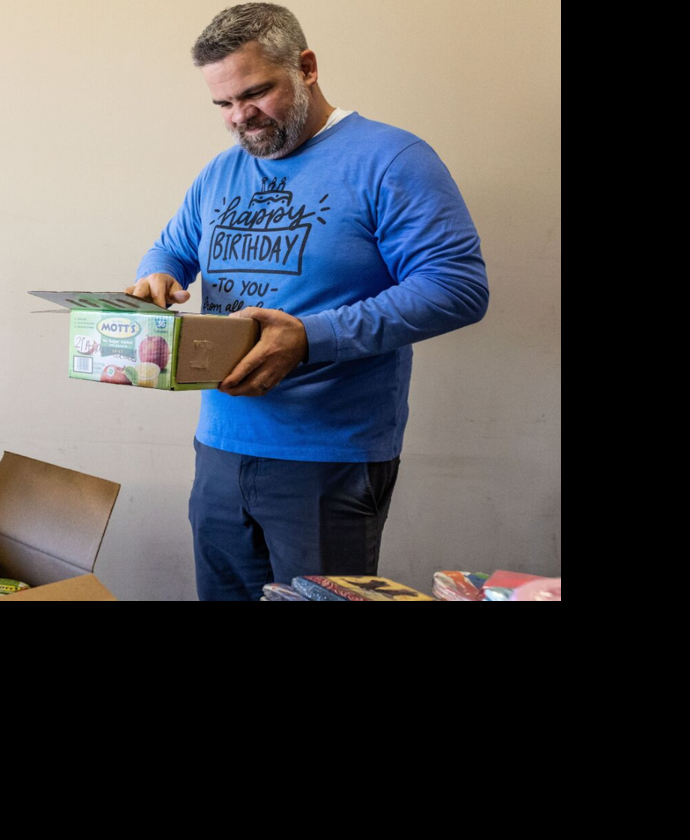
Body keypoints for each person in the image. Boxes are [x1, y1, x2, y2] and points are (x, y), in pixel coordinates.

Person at [127, 3, 489, 601]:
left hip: (329, 457)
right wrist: (156, 275)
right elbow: (170, 249)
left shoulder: (392, 159)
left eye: (256, 93)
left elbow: (458, 287)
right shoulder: (222, 172)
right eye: (223, 104)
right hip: (219, 446)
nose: (241, 117)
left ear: (307, 67)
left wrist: (309, 337)